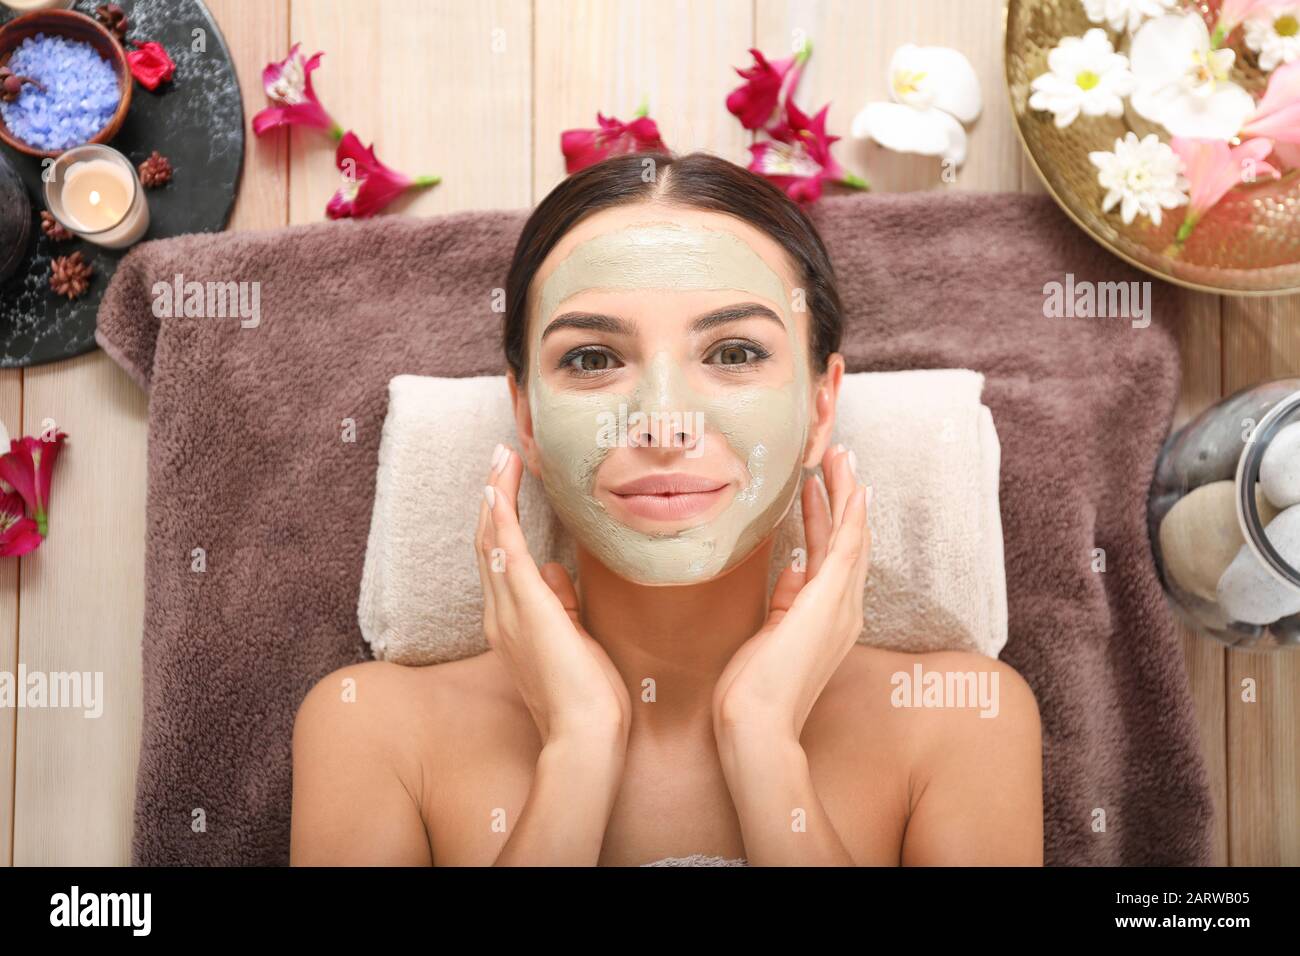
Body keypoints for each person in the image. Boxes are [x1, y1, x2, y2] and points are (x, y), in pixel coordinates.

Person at [290, 150, 1043, 866]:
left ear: (820, 408)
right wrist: (577, 748)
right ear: (525, 419)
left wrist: (765, 742)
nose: (663, 421)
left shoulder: (959, 723)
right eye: (591, 359)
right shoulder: (372, 731)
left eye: (735, 354)